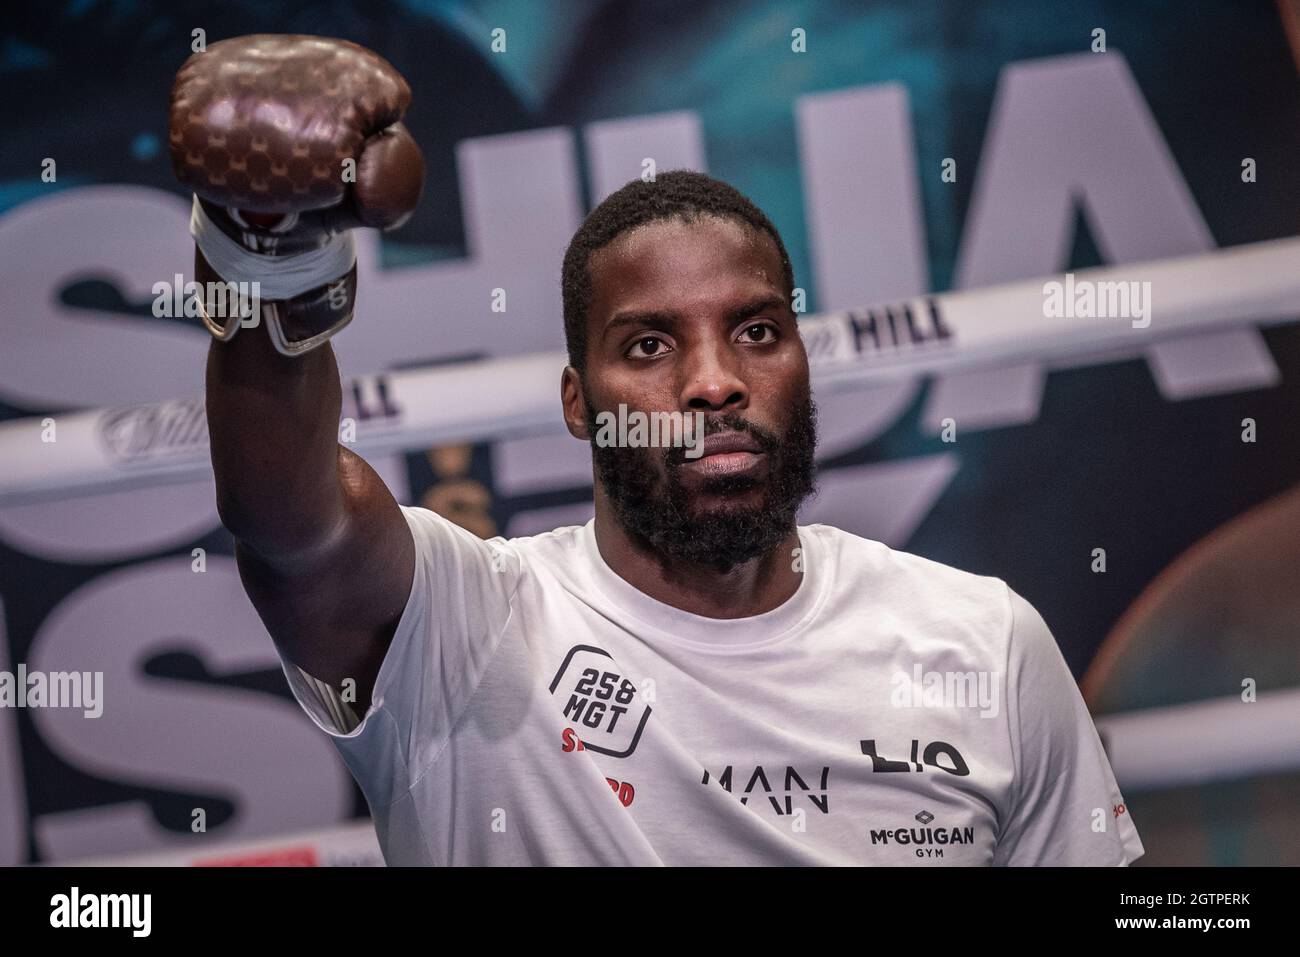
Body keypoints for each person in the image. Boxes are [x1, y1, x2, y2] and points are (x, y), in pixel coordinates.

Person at [172, 34, 1145, 866]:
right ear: (578, 403)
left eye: (757, 332)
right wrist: (271, 268)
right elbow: (293, 522)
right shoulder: (462, 630)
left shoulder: (979, 644)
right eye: (649, 345)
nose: (713, 382)